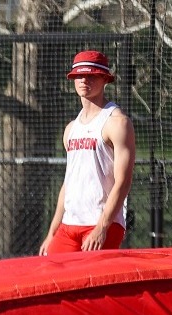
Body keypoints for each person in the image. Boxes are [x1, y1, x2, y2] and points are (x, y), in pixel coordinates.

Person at [39, 50, 134, 256]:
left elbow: (123, 182)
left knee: (92, 277)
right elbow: (69, 183)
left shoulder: (117, 122)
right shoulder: (71, 129)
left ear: (105, 79)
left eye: (91, 75)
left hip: (101, 224)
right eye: (79, 75)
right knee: (50, 272)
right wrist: (52, 232)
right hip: (69, 225)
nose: (84, 80)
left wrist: (102, 228)